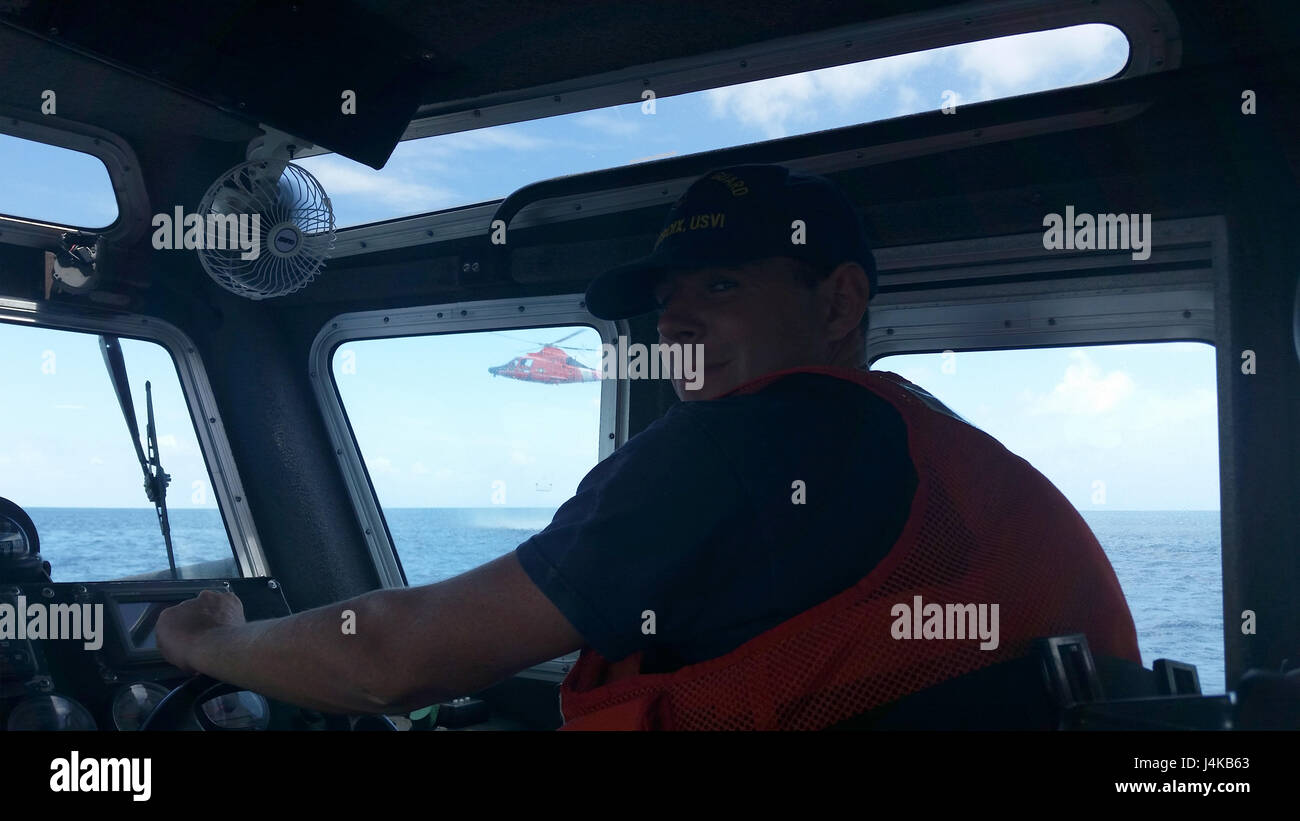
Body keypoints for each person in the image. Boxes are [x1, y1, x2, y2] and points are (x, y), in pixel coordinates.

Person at [157, 163, 1140, 730]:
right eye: (666, 300)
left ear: (837, 301)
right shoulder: (922, 441)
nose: (674, 320)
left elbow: (388, 659)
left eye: (719, 287)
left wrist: (208, 643)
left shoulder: (754, 433)